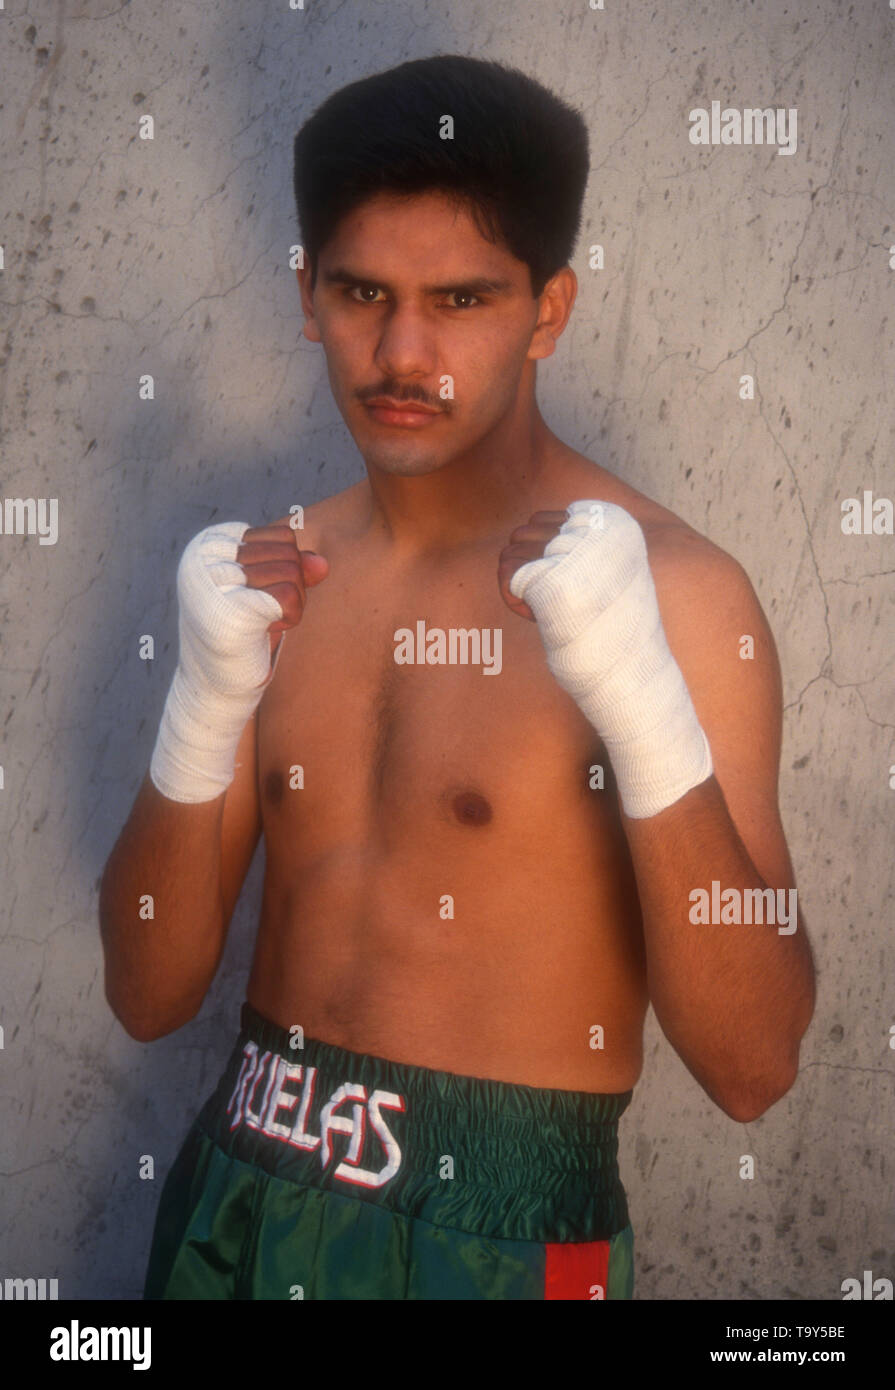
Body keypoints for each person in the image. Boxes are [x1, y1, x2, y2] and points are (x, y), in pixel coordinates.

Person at [100, 54, 815, 1301]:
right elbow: (147, 993)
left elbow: (754, 1065)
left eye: (465, 300)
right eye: (364, 290)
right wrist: (201, 704)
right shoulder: (272, 583)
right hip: (235, 1193)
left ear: (548, 311)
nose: (404, 351)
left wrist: (641, 699)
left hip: (493, 1238)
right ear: (307, 294)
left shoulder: (678, 598)